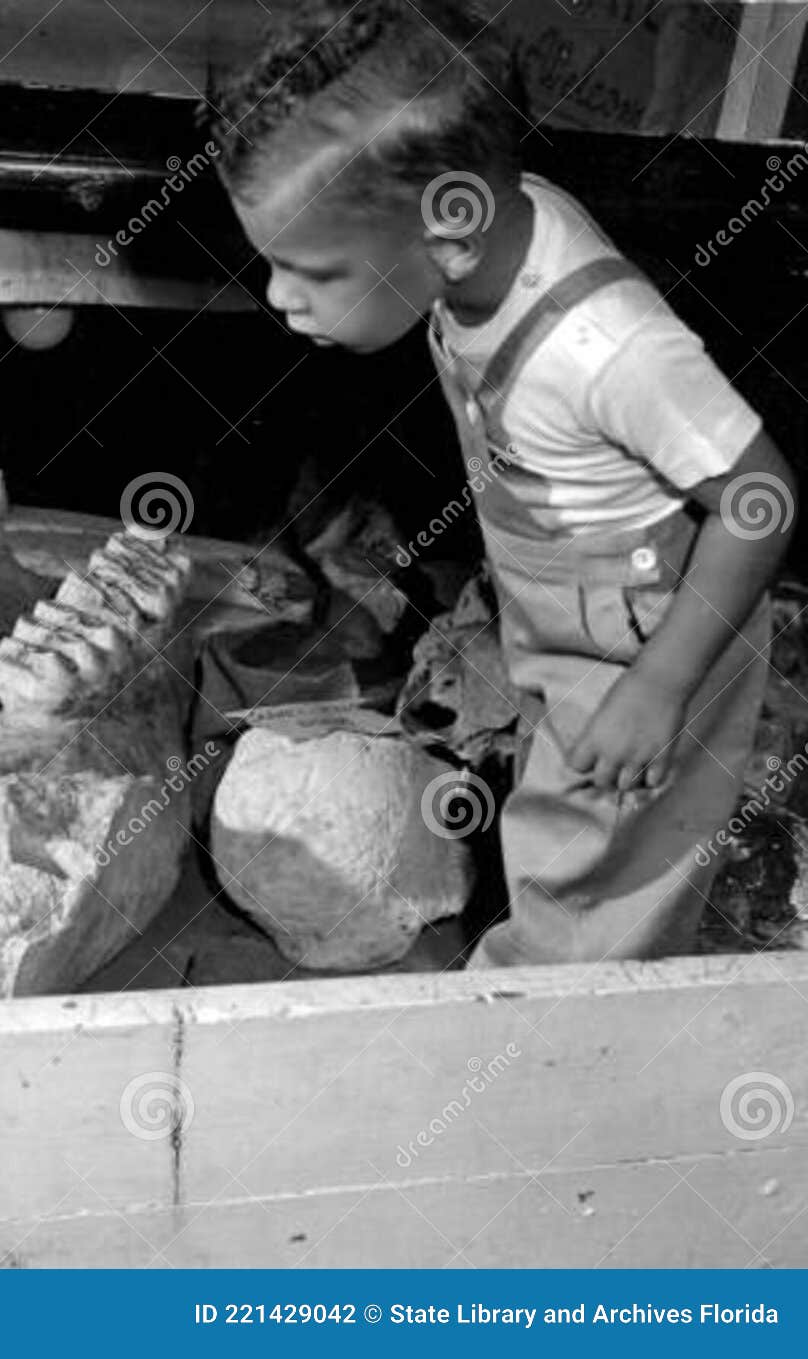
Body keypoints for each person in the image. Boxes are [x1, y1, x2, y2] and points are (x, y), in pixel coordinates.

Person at [203, 0, 797, 966]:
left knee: (596, 878)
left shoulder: (608, 345)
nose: (278, 296)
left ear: (448, 236)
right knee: (553, 814)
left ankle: (535, 1043)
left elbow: (758, 497)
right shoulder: (479, 241)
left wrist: (658, 686)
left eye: (308, 269)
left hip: (649, 628)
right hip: (557, 604)